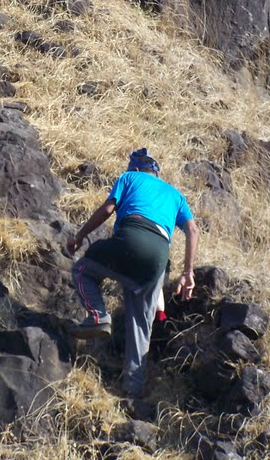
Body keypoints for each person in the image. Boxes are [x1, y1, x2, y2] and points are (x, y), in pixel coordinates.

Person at [67, 148, 199, 396]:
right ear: (156, 173)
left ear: (136, 168)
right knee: (141, 321)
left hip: (131, 236)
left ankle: (97, 316)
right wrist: (188, 272)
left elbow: (107, 210)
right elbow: (192, 230)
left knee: (83, 269)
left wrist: (80, 236)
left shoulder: (130, 178)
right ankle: (133, 388)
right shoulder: (176, 195)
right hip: (159, 258)